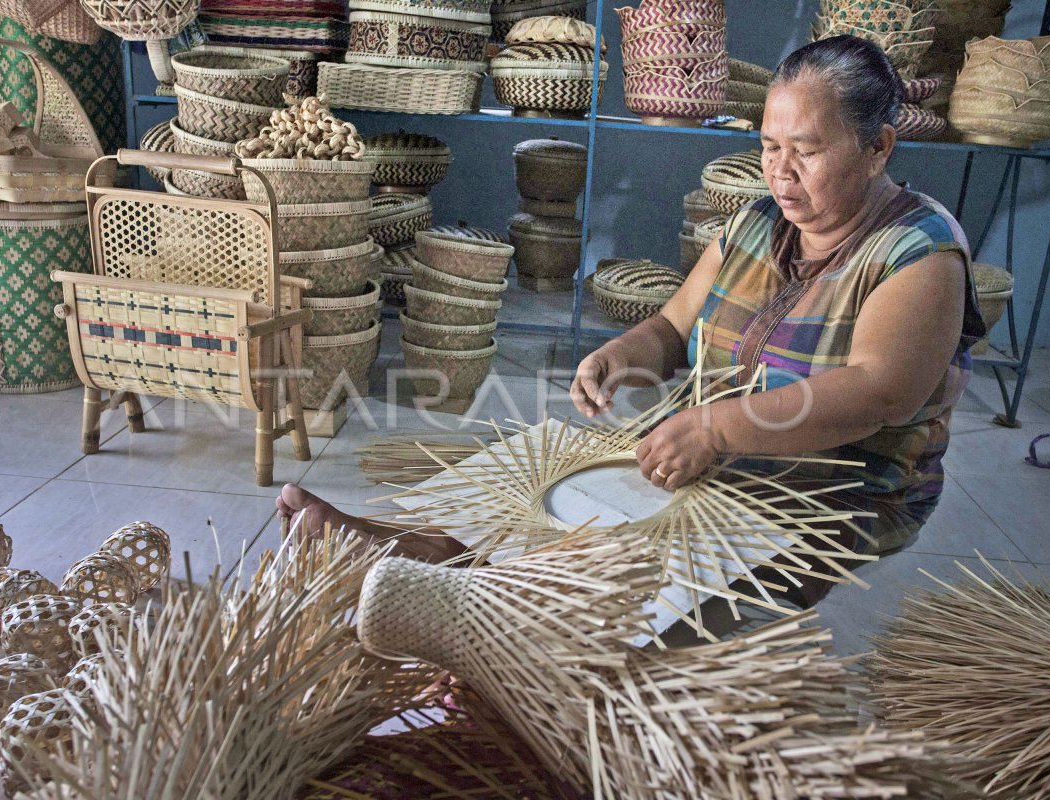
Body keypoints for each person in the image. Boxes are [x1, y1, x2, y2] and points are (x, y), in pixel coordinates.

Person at [277, 35, 985, 608]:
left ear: (879, 147)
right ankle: (415, 552)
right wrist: (622, 354)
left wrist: (717, 429)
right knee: (543, 498)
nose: (781, 170)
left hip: (829, 489)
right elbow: (672, 330)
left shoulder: (918, 249)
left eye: (807, 150)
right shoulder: (755, 223)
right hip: (708, 455)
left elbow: (879, 391)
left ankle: (435, 582)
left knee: (608, 579)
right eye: (771, 146)